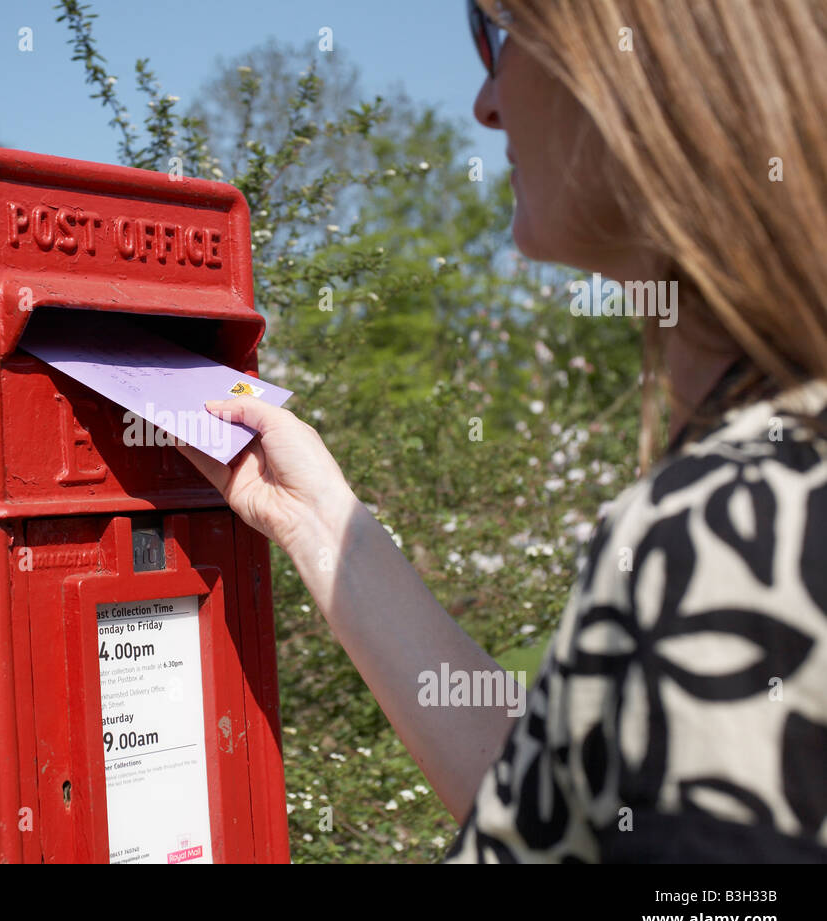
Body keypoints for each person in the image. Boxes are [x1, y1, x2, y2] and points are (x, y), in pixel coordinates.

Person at [176, 0, 827, 862]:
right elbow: (554, 803)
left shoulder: (727, 529)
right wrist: (320, 524)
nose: (485, 101)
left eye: (499, 29)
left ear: (641, 58)